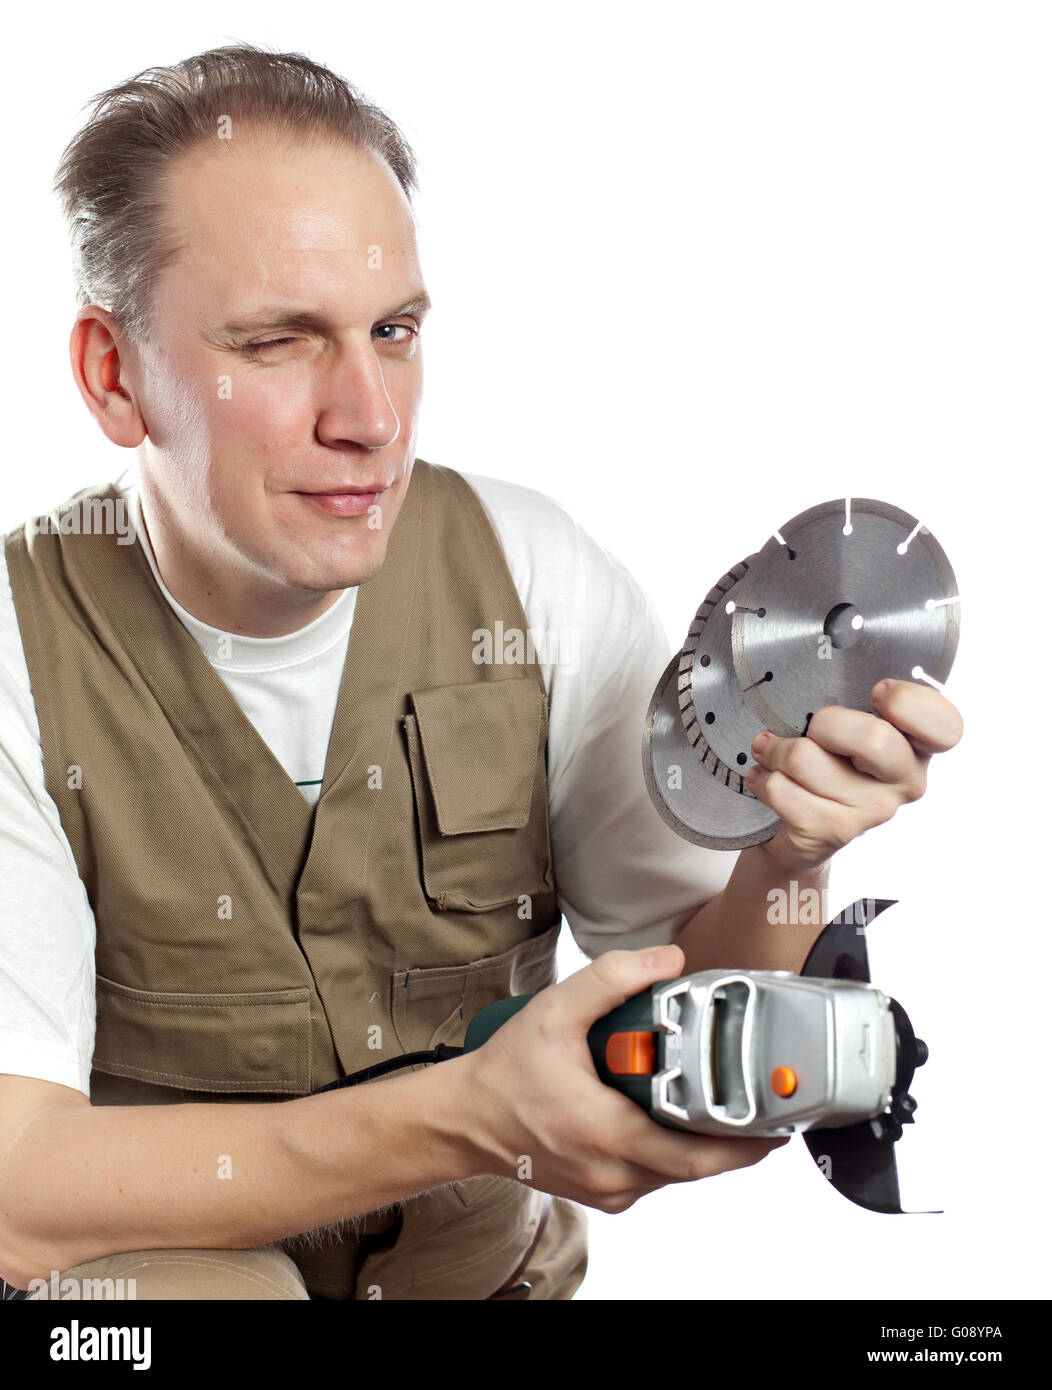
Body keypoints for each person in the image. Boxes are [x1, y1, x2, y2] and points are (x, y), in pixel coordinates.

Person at [0, 43, 963, 1302]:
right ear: (112, 374)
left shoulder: (534, 577)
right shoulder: (22, 646)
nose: (371, 416)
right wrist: (463, 1114)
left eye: (392, 331)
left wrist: (786, 861)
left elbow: (697, 995)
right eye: (279, 341)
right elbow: (18, 1193)